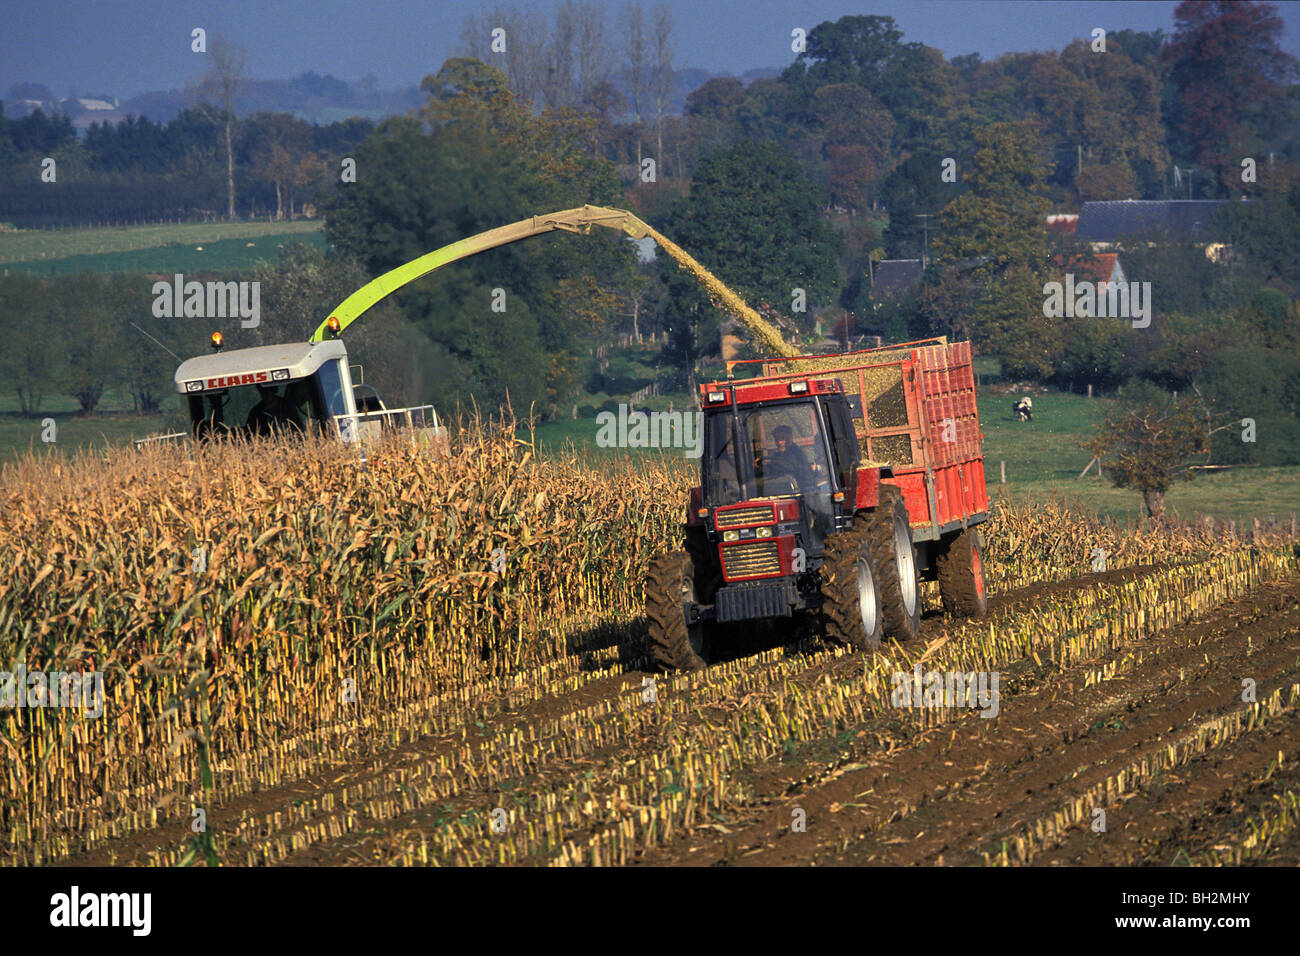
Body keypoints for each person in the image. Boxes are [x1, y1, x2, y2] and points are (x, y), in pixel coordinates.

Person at [766, 425, 814, 491]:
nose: (779, 442)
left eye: (782, 439)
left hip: (801, 491)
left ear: (790, 438)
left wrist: (770, 463)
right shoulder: (777, 455)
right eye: (777, 439)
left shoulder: (797, 453)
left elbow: (789, 466)